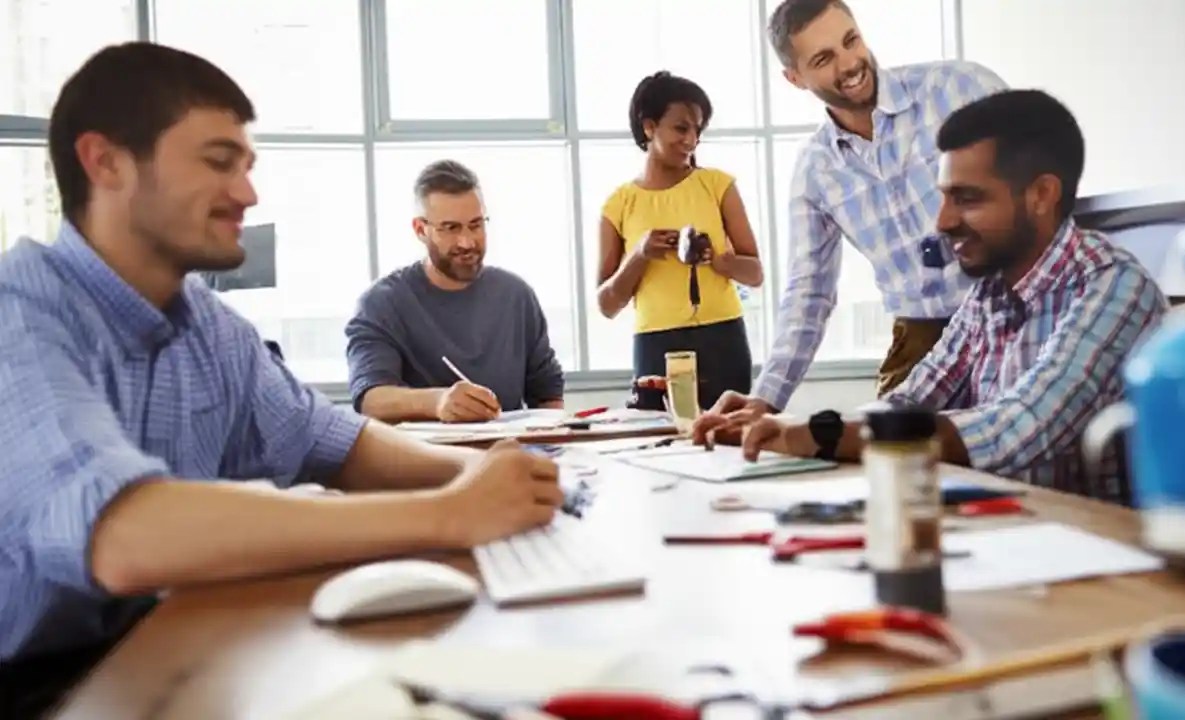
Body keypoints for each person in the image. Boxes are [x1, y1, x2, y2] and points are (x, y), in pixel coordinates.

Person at [0, 43, 561, 717]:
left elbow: (340, 443)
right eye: (218, 163)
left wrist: (508, 478)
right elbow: (123, 535)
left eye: (248, 167)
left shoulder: (210, 328)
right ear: (107, 162)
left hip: (161, 644)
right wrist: (448, 515)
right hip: (33, 686)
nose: (247, 194)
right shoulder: (20, 316)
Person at [694, 89, 1168, 502]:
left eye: (967, 198)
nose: (941, 221)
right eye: (943, 196)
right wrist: (785, 425)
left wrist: (816, 435)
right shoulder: (989, 292)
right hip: (1009, 537)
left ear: (1041, 194)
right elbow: (908, 403)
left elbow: (1017, 430)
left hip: (1099, 563)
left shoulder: (1116, 286)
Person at [708, 0, 1010, 421]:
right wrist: (765, 399)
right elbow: (809, 291)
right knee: (882, 453)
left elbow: (1041, 185)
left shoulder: (958, 88)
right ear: (795, 78)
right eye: (823, 58)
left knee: (1008, 439)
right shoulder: (816, 171)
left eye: (851, 41)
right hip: (920, 333)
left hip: (1007, 305)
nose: (849, 63)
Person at [345, 159, 565, 424]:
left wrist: (553, 448)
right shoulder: (381, 303)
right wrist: (436, 402)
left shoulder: (516, 296)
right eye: (450, 228)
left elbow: (547, 394)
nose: (467, 242)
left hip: (508, 455)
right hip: (421, 460)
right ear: (420, 230)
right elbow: (370, 398)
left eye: (476, 225)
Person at [596, 71, 764, 410]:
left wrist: (716, 260)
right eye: (681, 127)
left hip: (723, 338)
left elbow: (755, 273)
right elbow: (607, 304)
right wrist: (640, 254)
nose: (692, 139)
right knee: (659, 439)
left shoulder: (718, 186)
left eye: (698, 130)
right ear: (649, 127)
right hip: (656, 344)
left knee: (726, 442)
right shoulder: (618, 204)